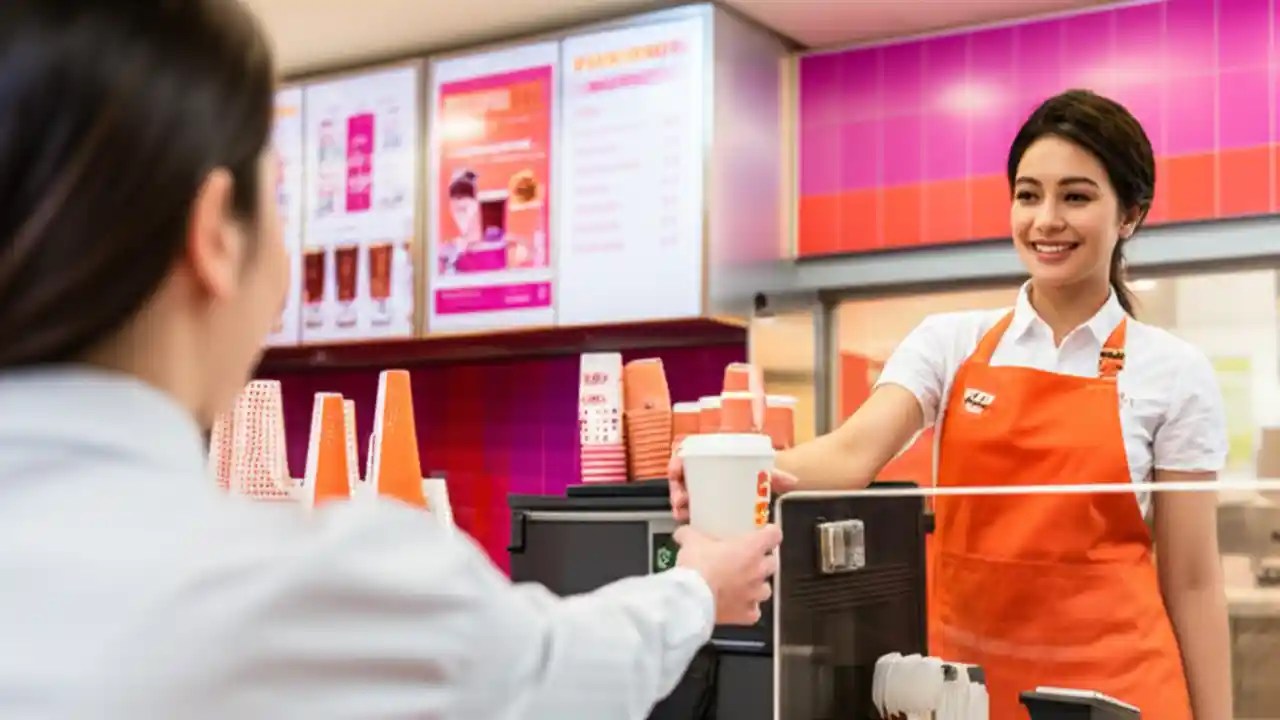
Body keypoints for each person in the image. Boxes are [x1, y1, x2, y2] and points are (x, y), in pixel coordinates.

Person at [0, 3, 781, 718]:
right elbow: (554, 670)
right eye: (275, 198)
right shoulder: (315, 591)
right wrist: (699, 589)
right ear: (213, 236)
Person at [673, 90, 1232, 720]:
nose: (1045, 219)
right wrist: (735, 471)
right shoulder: (950, 342)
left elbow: (1191, 582)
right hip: (967, 696)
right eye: (1028, 194)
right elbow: (854, 453)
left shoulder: (1173, 372)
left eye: (1076, 196)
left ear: (1130, 214)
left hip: (1122, 695)